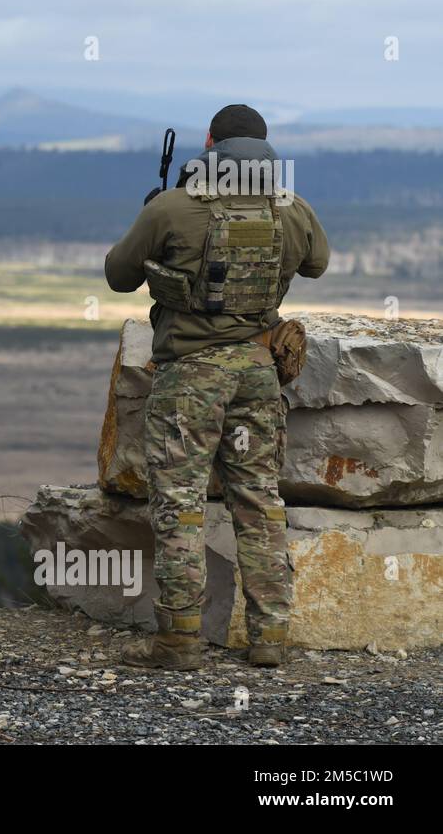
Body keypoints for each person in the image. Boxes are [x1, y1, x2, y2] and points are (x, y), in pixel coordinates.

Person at [105, 104, 329, 669]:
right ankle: (270, 639)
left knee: (180, 505)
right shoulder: (291, 208)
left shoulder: (176, 207)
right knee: (259, 502)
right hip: (258, 372)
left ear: (209, 143)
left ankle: (178, 643)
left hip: (190, 376)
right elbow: (318, 264)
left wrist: (158, 220)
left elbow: (118, 274)